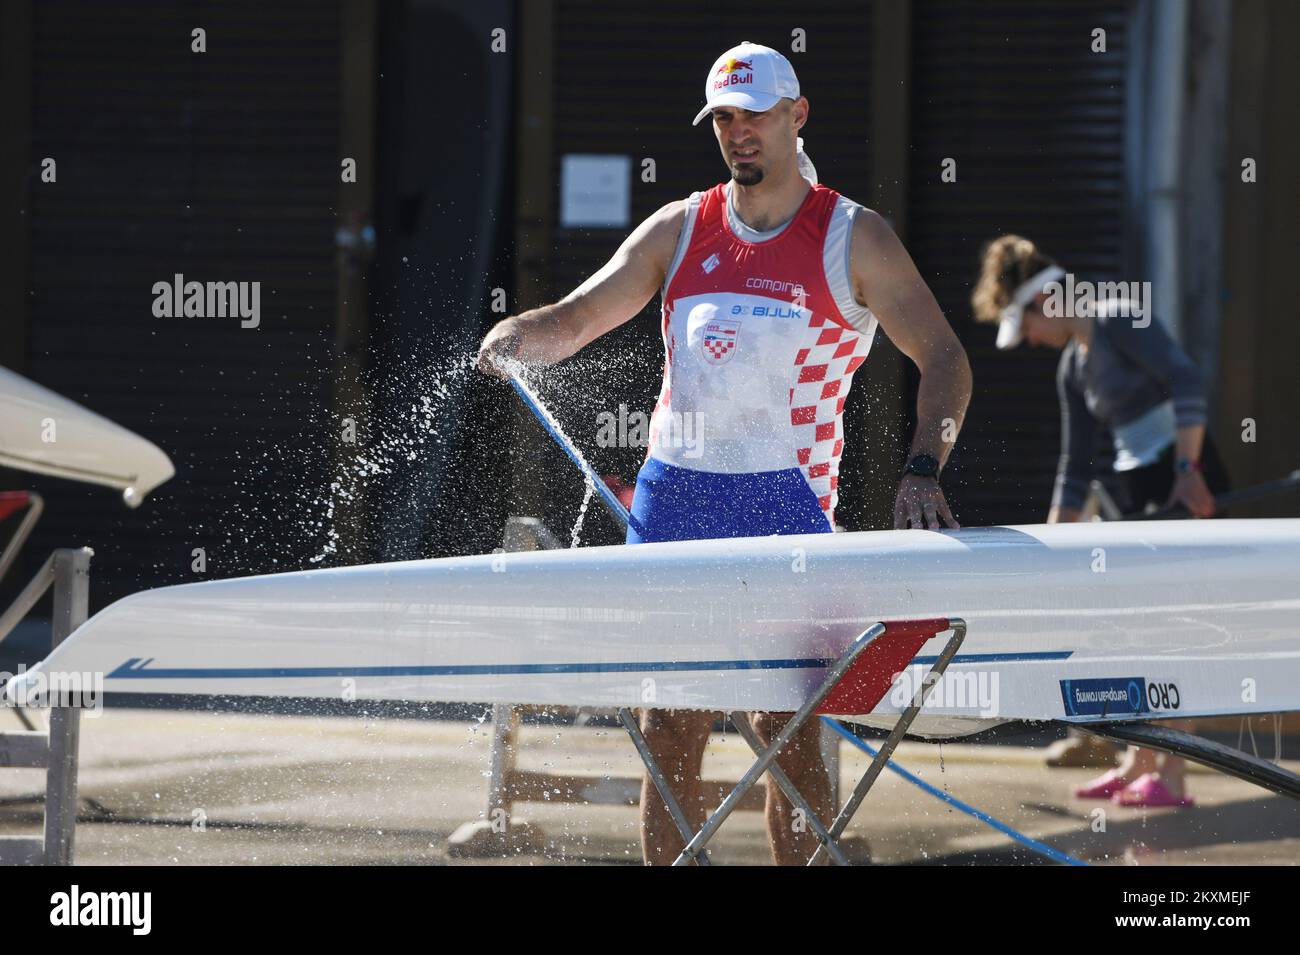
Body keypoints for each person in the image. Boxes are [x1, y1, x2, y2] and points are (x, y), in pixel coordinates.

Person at [480, 41, 970, 863]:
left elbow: (946, 357)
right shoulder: (681, 227)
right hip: (672, 506)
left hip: (785, 511)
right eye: (724, 119)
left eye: (755, 116)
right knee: (668, 727)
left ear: (797, 115)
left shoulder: (853, 237)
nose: (738, 132)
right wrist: (516, 335)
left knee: (787, 734)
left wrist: (924, 466)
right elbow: (575, 318)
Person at [972, 234, 1230, 808]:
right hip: (1139, 494)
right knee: (1139, 627)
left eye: (1027, 325)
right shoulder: (1074, 366)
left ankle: (1174, 775)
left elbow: (1187, 378)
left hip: (1185, 479)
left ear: (1046, 301)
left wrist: (1188, 470)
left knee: (1177, 628)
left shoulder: (1120, 317)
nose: (1031, 340)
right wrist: (1049, 548)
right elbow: (1076, 466)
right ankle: (1139, 760)